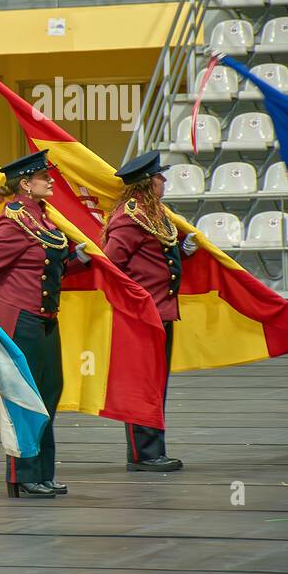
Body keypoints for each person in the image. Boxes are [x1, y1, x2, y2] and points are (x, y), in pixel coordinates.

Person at [0, 150, 91, 499]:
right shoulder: (12, 221)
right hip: (21, 317)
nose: (50, 180)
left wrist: (76, 259)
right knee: (26, 396)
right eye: (43, 177)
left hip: (44, 317)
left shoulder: (43, 218)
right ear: (25, 184)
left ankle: (43, 470)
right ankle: (24, 473)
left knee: (50, 390)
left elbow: (46, 266)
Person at [103, 151, 194, 473]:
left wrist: (183, 251)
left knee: (156, 383)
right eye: (159, 177)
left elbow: (159, 258)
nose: (164, 181)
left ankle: (153, 448)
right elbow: (111, 264)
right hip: (143, 314)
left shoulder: (154, 214)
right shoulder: (130, 218)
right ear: (146, 183)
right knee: (143, 383)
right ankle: (144, 453)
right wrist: (135, 300)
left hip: (161, 310)